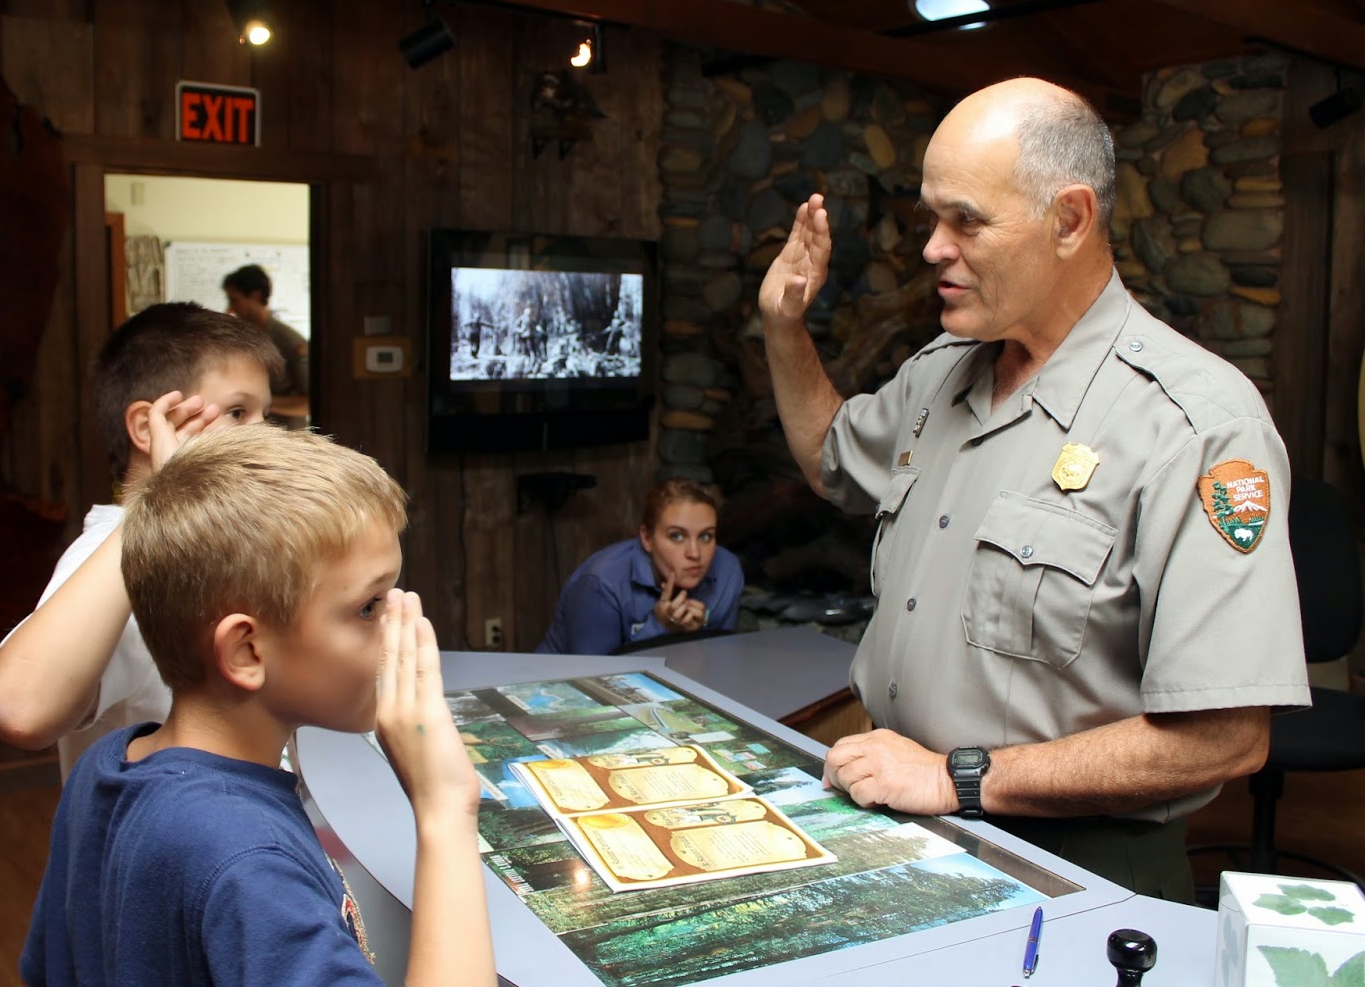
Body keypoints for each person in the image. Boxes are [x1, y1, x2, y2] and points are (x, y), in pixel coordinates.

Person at [758, 77, 1310, 902]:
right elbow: (831, 459)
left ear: (1071, 220)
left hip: (1077, 872)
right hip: (902, 831)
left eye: (966, 221)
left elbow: (1225, 739)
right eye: (931, 218)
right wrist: (783, 327)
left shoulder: (1194, 425)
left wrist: (960, 780)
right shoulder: (941, 374)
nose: (933, 248)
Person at [20, 426, 494, 987]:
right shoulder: (247, 863)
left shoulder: (107, 765)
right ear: (245, 650)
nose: (398, 621)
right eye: (368, 606)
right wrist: (445, 811)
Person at [0, 302, 279, 776]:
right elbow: (20, 710)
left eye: (266, 413)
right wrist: (162, 498)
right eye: (238, 412)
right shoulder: (109, 556)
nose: (263, 434)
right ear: (149, 427)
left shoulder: (218, 539)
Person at [536, 479, 744, 654]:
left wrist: (698, 636)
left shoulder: (727, 571)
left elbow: (719, 660)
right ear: (646, 537)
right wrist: (660, 628)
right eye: (677, 536)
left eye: (706, 536)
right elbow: (594, 679)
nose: (695, 553)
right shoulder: (601, 582)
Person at [223, 263, 310, 424]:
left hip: (283, 440)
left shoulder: (289, 341)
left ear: (255, 296)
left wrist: (256, 401)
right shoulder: (244, 337)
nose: (230, 309)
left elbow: (307, 404)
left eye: (234, 300)